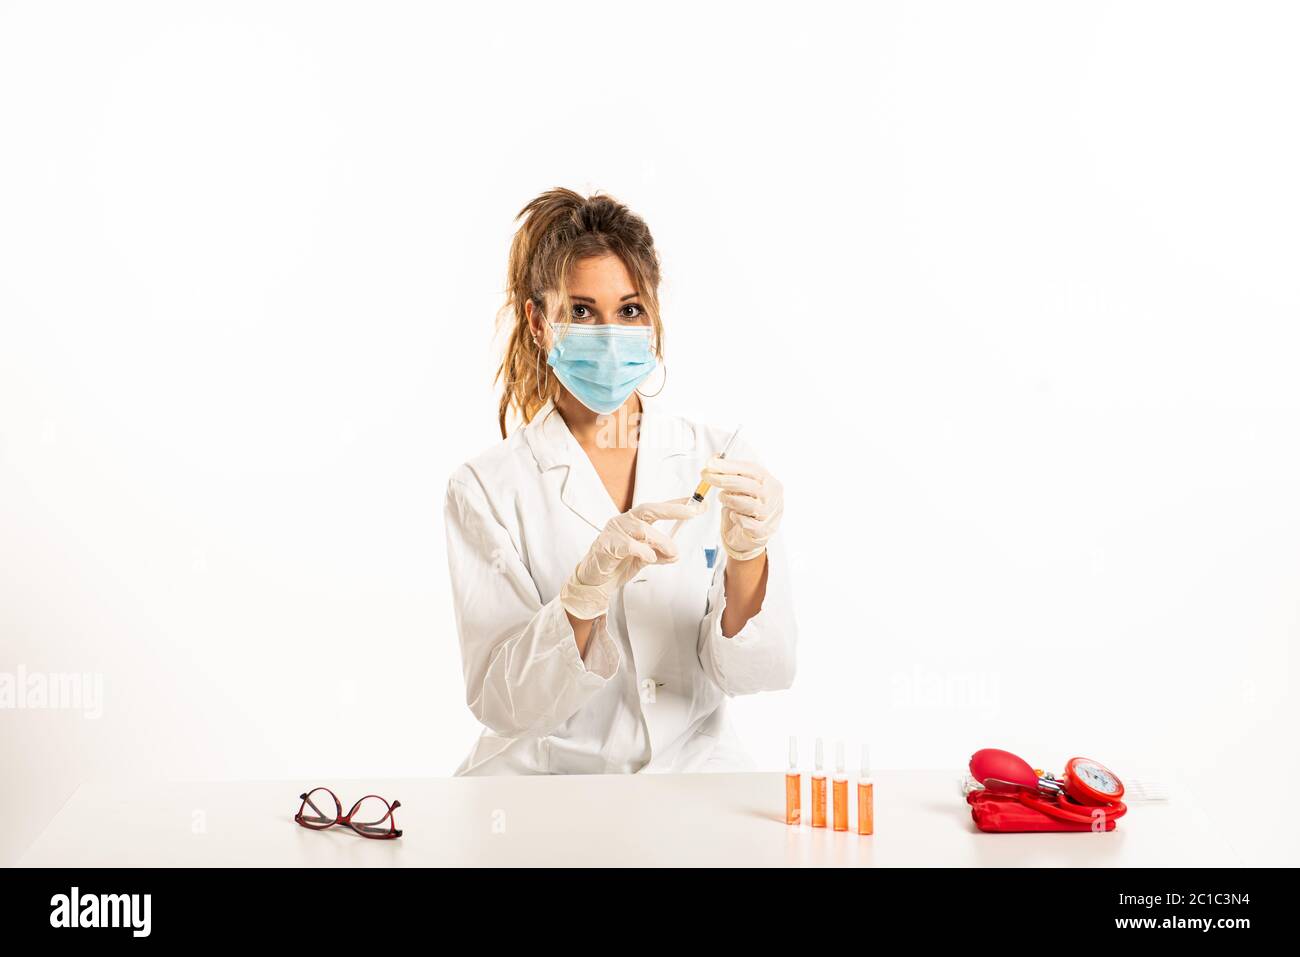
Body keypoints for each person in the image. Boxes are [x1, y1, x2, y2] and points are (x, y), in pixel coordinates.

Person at [444, 187, 797, 774]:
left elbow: (761, 672)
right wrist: (582, 599)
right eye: (581, 312)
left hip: (695, 776)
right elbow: (505, 704)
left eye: (630, 310)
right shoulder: (486, 489)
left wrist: (748, 557)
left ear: (654, 315)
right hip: (550, 785)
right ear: (539, 322)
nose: (609, 334)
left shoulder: (719, 458)